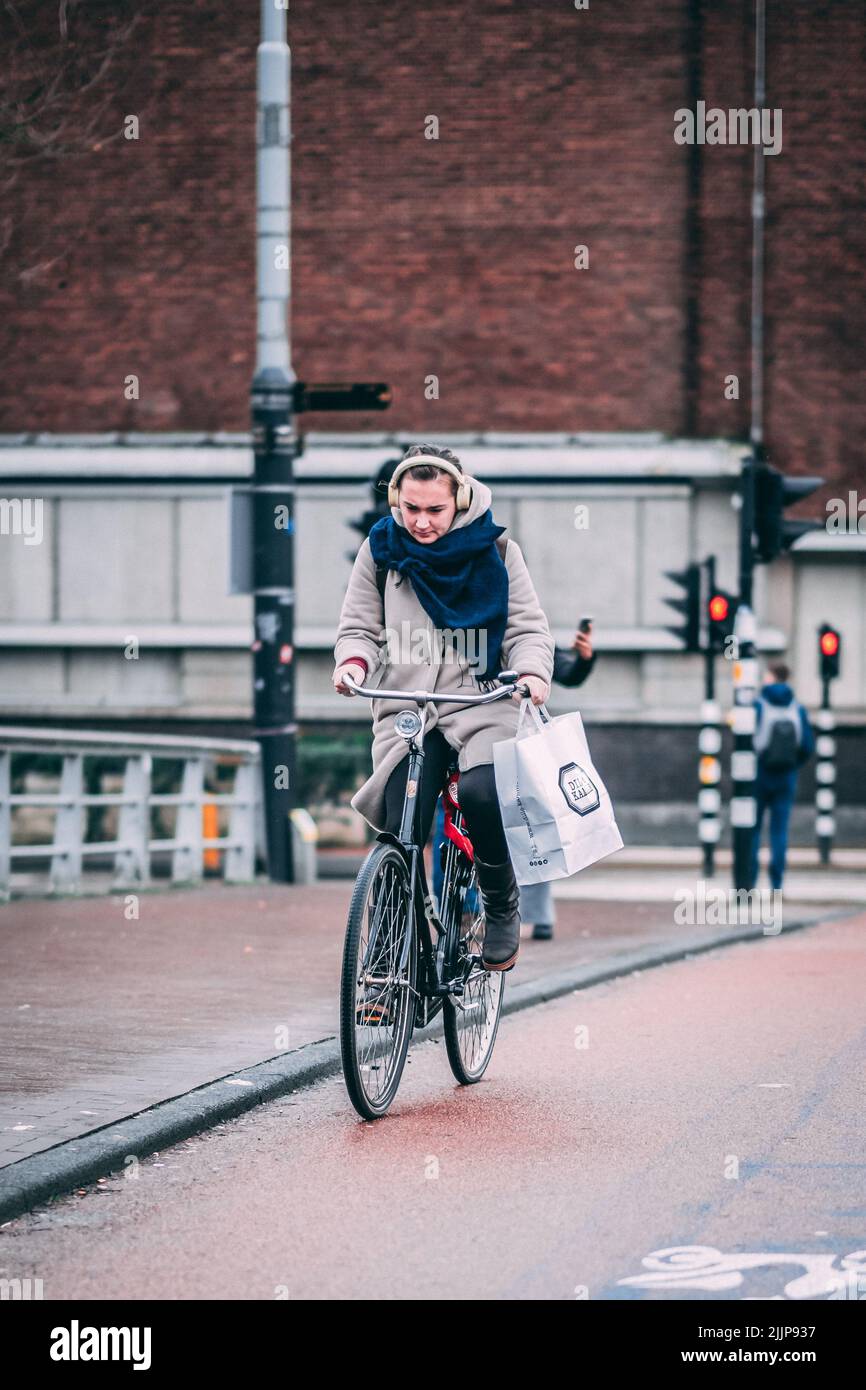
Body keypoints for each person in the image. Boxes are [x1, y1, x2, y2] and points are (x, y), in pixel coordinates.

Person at [332, 442, 554, 973]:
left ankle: (501, 904)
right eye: (411, 508)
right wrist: (353, 665)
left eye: (435, 509)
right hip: (409, 706)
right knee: (401, 818)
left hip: (481, 701)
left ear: (459, 498)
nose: (422, 522)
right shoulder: (381, 550)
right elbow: (359, 627)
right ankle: (388, 953)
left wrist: (531, 674)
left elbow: (527, 629)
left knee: (481, 791)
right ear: (396, 500)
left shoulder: (497, 550)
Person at [431, 618, 596, 940]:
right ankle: (460, 909)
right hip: (444, 736)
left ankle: (531, 913)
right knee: (447, 824)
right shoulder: (431, 625)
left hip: (502, 742)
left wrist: (583, 660)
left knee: (527, 821)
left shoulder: (514, 621)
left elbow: (560, 667)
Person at [749, 660, 815, 893]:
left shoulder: (758, 705)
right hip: (786, 775)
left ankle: (749, 882)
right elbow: (807, 745)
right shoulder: (797, 708)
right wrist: (792, 764)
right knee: (779, 830)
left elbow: (745, 740)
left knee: (752, 828)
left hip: (759, 774)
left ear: (772, 677)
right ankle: (776, 885)